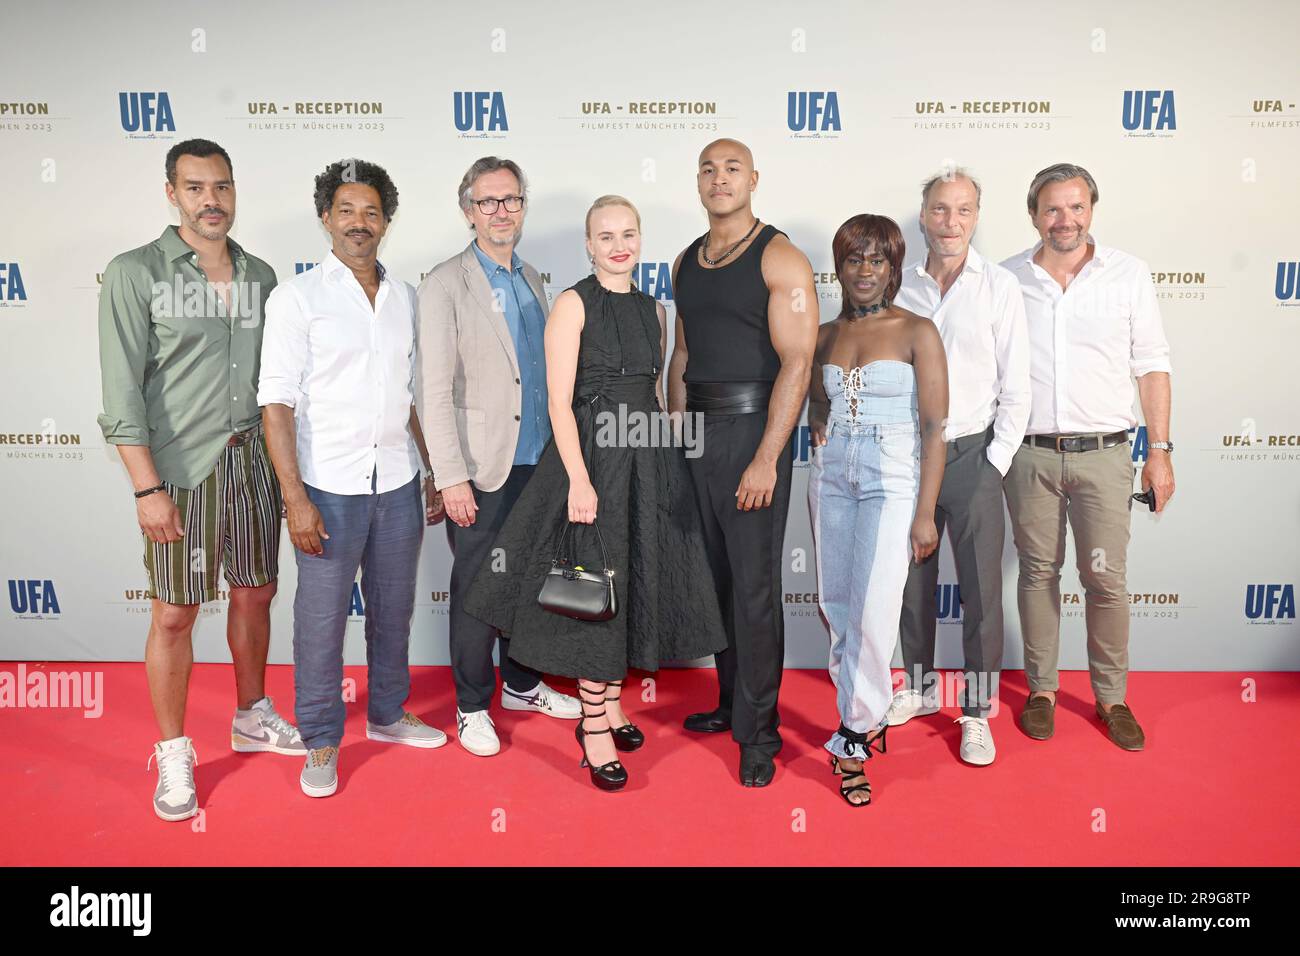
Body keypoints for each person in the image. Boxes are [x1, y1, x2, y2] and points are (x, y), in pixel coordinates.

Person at [463, 195, 726, 792]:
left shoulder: (655, 310)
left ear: (640, 237)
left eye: (628, 233)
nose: (618, 244)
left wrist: (665, 469)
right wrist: (580, 482)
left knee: (629, 583)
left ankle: (608, 705)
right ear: (588, 243)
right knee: (593, 589)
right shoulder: (573, 304)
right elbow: (558, 402)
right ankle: (593, 729)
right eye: (605, 235)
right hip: (591, 463)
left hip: (645, 459)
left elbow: (654, 396)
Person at [97, 138, 303, 823]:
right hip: (181, 470)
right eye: (194, 188)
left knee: (254, 594)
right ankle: (174, 748)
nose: (210, 200)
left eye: (221, 186)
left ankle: (251, 714)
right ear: (171, 193)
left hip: (253, 462)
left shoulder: (263, 275)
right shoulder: (135, 272)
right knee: (175, 613)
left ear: (235, 191)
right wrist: (145, 488)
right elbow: (122, 391)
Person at [259, 158, 445, 798]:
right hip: (327, 489)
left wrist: (431, 470)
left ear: (386, 222)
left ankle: (389, 714)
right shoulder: (296, 298)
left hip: (395, 479)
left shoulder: (406, 299)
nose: (359, 223)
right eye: (347, 211)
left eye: (371, 212)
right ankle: (319, 741)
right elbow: (276, 404)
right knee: (320, 620)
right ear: (325, 219)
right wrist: (295, 499)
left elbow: (413, 393)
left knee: (392, 612)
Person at [1001, 162, 1175, 751]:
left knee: (1105, 579)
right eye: (1052, 208)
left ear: (1091, 212)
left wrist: (1161, 453)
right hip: (1029, 456)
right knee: (1037, 574)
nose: (1064, 220)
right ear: (1033, 215)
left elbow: (1152, 365)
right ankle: (1042, 691)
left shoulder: (1128, 274)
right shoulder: (1006, 279)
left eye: (1076, 208)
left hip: (1105, 456)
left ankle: (1112, 698)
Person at [417, 157, 579, 759]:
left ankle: (521, 683)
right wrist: (450, 476)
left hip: (540, 461)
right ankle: (470, 704)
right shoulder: (443, 283)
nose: (501, 211)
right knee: (479, 588)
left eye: (510, 200)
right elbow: (432, 391)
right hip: (482, 469)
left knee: (530, 583)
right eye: (487, 202)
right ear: (468, 212)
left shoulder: (536, 279)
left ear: (523, 206)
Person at [669, 138, 818, 788]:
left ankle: (759, 735)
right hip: (698, 434)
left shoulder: (780, 255)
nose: (719, 178)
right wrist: (676, 441)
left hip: (754, 432)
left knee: (755, 592)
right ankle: (731, 705)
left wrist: (767, 457)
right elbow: (681, 357)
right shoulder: (685, 261)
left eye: (731, 168)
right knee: (717, 586)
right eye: (708, 168)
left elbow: (799, 362)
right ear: (697, 182)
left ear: (753, 178)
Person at [887, 169, 1031, 765]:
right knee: (911, 586)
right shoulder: (897, 288)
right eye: (940, 210)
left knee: (979, 594)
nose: (951, 222)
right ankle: (919, 688)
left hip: (974, 453)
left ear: (977, 217)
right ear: (922, 216)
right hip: (908, 456)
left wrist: (993, 464)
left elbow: (1018, 387)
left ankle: (976, 712)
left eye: (963, 211)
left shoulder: (999, 287)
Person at [808, 214, 948, 805]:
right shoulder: (823, 334)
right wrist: (819, 422)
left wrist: (925, 513)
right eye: (853, 259)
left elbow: (937, 427)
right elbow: (814, 394)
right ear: (838, 266)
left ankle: (854, 734)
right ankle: (862, 711)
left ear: (893, 268)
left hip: (893, 482)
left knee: (873, 611)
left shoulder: (918, 330)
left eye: (877, 260)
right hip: (832, 478)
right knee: (836, 606)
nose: (864, 271)